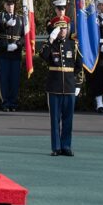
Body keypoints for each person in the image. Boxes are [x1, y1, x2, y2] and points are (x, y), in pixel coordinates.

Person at [40, 17, 82, 156]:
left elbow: (79, 66)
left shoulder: (73, 45)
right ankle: (56, 147)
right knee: (55, 119)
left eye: (64, 28)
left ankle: (66, 146)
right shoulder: (51, 45)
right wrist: (50, 39)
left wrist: (77, 83)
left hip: (69, 86)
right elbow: (43, 55)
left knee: (68, 119)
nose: (63, 31)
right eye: (60, 28)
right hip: (54, 86)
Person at [0, 0, 23, 112]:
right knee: (4, 79)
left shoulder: (20, 18)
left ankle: (13, 103)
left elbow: (24, 36)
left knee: (15, 79)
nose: (10, 6)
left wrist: (18, 44)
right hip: (3, 52)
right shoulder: (0, 16)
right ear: (4, 5)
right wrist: (7, 24)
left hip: (15, 52)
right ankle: (5, 102)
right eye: (8, 4)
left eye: (12, 4)